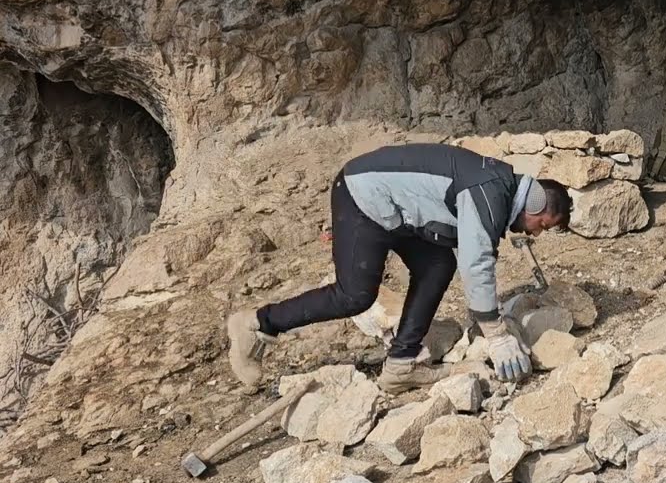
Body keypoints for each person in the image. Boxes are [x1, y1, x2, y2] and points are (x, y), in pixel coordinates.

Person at [225, 142, 573, 393]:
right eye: (542, 224)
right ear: (535, 203)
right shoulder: (490, 190)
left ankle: (400, 366)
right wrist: (496, 336)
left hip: (396, 210)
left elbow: (474, 250)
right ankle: (256, 323)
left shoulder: (496, 187)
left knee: (437, 264)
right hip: (362, 195)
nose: (535, 233)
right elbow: (476, 260)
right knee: (355, 295)